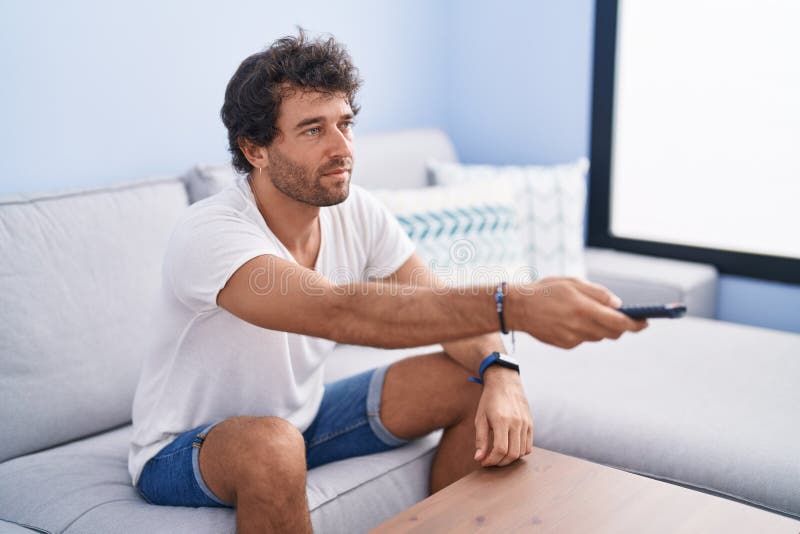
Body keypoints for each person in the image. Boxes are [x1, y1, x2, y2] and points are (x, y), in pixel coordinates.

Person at [128, 30, 648, 533]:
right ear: (255, 149)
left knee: (470, 379)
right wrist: (514, 303)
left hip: (303, 419)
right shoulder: (211, 233)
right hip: (184, 448)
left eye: (345, 124)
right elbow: (338, 310)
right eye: (313, 129)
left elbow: (436, 302)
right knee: (273, 447)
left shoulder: (357, 210)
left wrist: (501, 368)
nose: (342, 148)